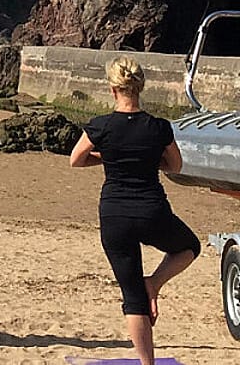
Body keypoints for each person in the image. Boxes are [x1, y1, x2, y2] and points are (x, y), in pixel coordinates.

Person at [69, 56, 200, 365]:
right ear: (140, 87)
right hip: (152, 211)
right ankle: (155, 281)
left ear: (113, 89)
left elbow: (76, 159)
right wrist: (148, 158)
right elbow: (176, 165)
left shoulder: (100, 126)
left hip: (114, 215)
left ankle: (147, 363)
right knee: (189, 247)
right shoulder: (158, 127)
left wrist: (109, 156)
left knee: (133, 298)